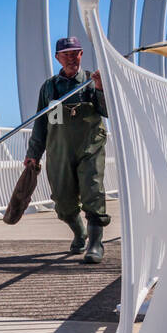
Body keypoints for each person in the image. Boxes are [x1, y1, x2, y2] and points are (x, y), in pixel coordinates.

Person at [23, 37, 109, 263]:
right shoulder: (49, 87)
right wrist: (33, 153)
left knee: (93, 191)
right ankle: (80, 233)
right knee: (63, 200)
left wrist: (100, 89)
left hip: (90, 146)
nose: (72, 58)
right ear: (57, 57)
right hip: (59, 149)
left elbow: (108, 111)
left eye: (75, 53)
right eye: (66, 54)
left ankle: (95, 243)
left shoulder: (92, 81)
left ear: (81, 54)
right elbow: (41, 123)